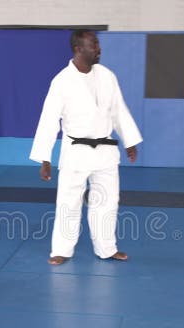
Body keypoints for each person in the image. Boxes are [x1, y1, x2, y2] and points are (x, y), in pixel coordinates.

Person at [29, 29, 142, 265]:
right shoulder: (62, 81)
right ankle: (62, 249)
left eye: (98, 44)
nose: (98, 49)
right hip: (76, 151)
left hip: (105, 150)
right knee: (68, 202)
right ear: (78, 49)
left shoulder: (107, 76)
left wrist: (129, 140)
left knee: (108, 201)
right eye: (93, 45)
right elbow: (49, 120)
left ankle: (107, 248)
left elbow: (118, 110)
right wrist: (44, 158)